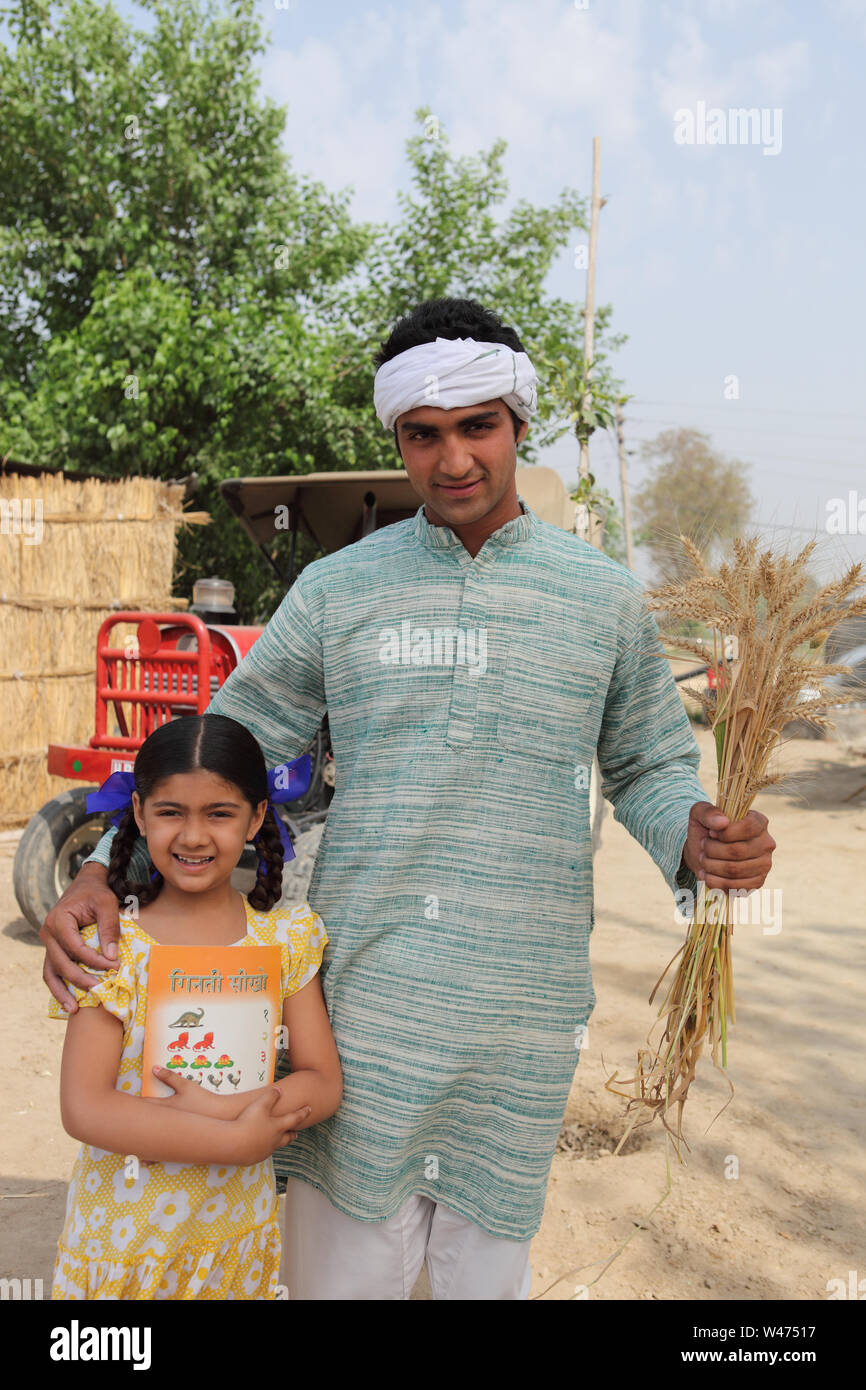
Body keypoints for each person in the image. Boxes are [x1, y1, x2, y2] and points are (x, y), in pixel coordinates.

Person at [42, 297, 776, 1301]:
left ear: (519, 422)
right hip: (358, 1016)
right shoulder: (339, 591)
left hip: (518, 1019)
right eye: (422, 435)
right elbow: (223, 748)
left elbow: (648, 765)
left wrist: (694, 838)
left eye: (477, 426)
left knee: (483, 1278)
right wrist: (100, 864)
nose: (453, 458)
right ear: (397, 438)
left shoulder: (601, 596)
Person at [47, 713, 342, 1299]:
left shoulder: (282, 943)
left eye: (220, 813)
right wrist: (233, 1139)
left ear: (258, 817)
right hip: (125, 1242)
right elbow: (85, 1108)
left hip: (235, 1239)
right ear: (138, 814)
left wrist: (227, 1104)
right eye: (170, 812)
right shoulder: (117, 950)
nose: (193, 836)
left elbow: (322, 1081)